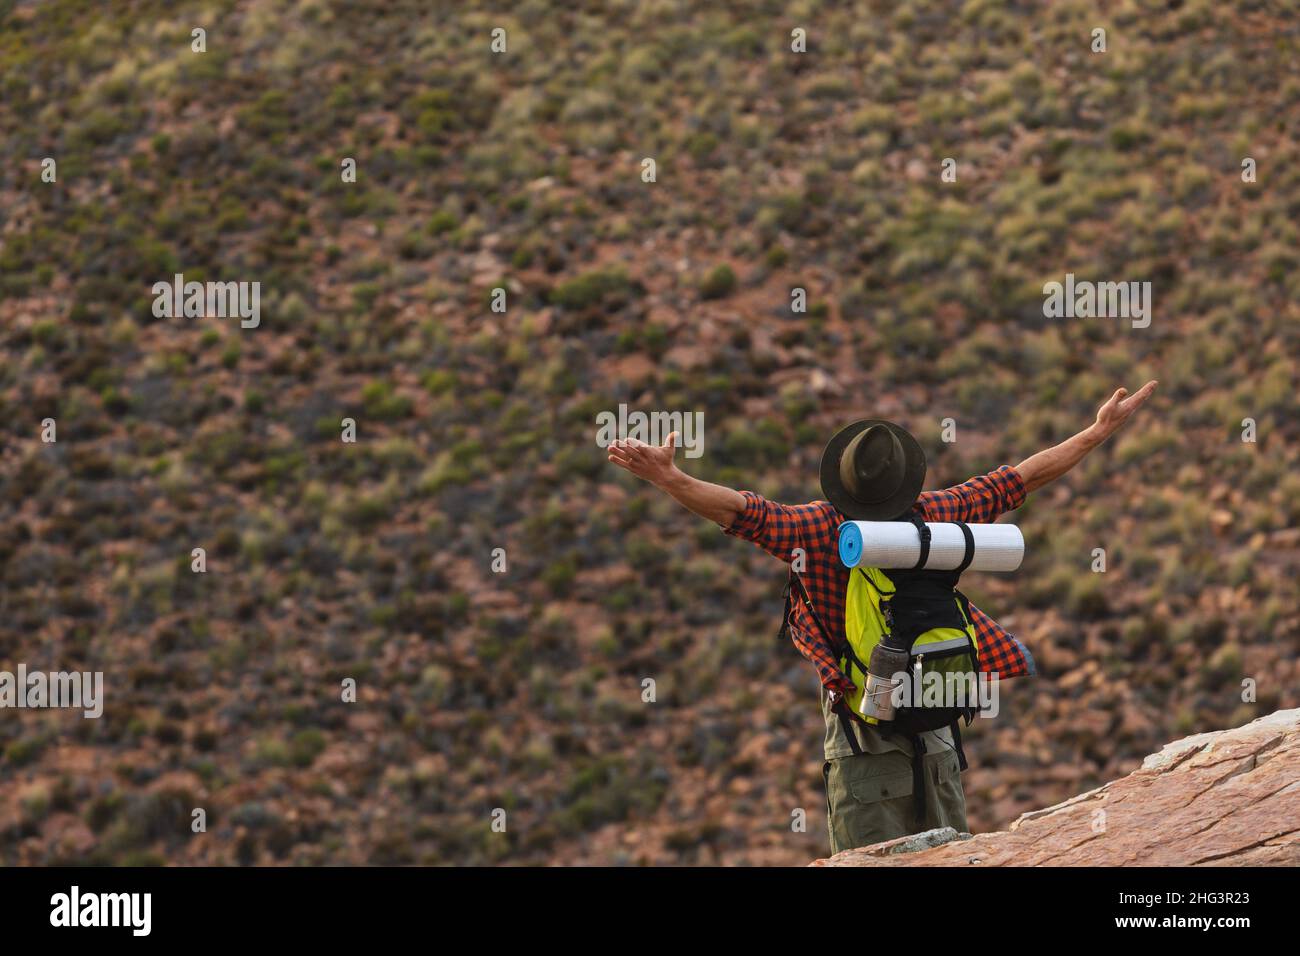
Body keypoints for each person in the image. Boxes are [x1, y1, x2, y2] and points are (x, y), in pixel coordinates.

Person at [606, 381, 1158, 853]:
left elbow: (743, 512)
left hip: (862, 730)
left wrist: (670, 479)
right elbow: (1021, 479)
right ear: (904, 479)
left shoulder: (819, 531)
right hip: (936, 718)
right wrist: (1095, 432)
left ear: (843, 482)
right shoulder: (937, 516)